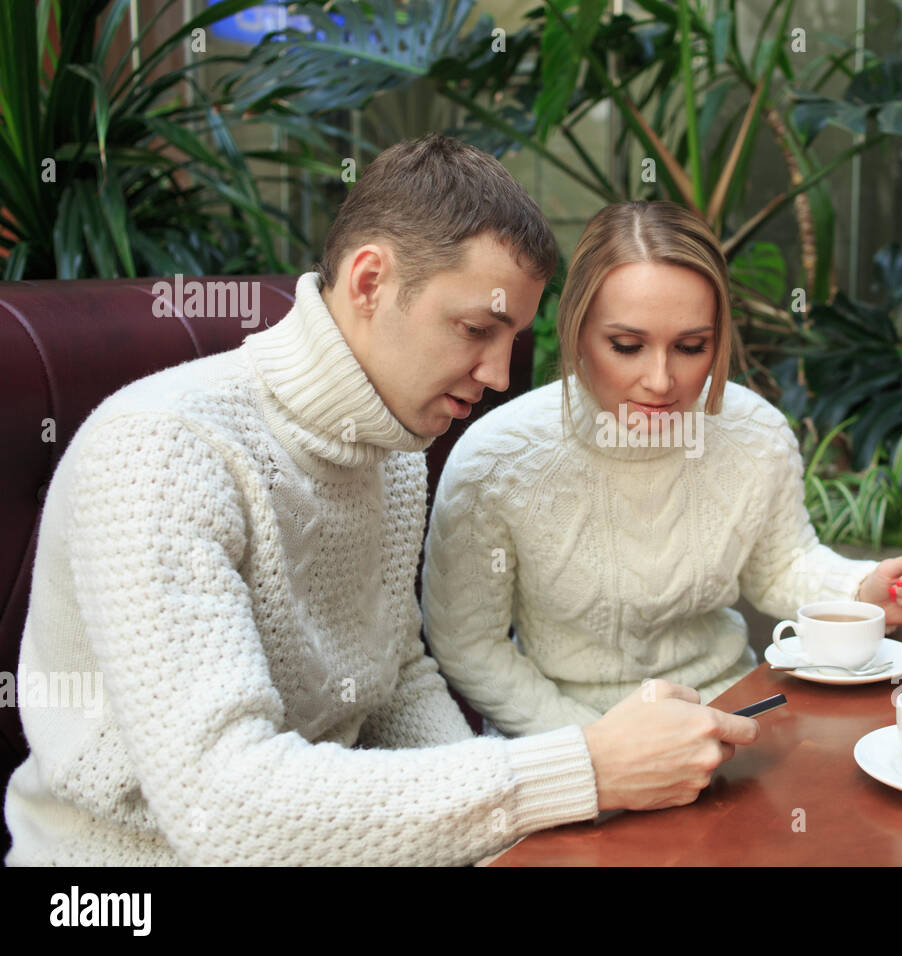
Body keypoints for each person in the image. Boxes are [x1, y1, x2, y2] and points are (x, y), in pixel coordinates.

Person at [3, 137, 757, 867]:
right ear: (370, 283)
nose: (499, 373)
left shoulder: (393, 455)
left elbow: (396, 683)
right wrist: (579, 769)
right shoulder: (162, 452)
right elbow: (228, 811)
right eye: (475, 329)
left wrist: (511, 839)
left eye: (513, 338)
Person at [422, 201, 902, 738]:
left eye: (692, 347)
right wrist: (593, 754)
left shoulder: (754, 434)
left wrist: (860, 589)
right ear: (576, 333)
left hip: (733, 718)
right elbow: (470, 646)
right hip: (562, 742)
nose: (661, 380)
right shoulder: (496, 461)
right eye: (627, 346)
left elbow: (780, 566)